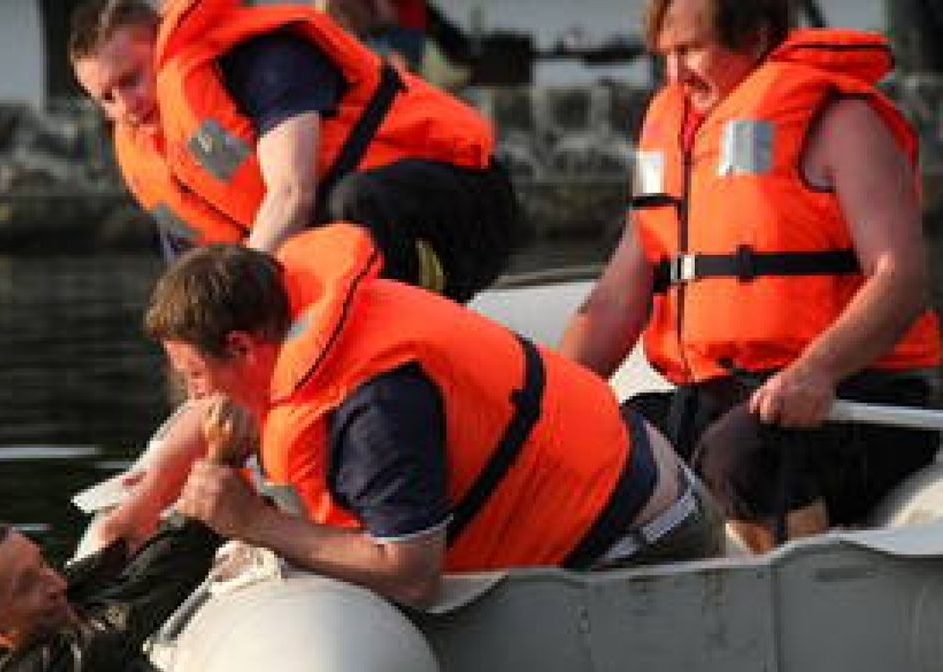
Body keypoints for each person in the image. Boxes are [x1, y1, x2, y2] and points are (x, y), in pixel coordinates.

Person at [148, 224, 723, 608]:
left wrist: (254, 522)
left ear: (245, 348)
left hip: (641, 542)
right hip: (629, 481)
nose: (196, 398)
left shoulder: (371, 399)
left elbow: (412, 573)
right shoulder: (319, 333)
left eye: (195, 375)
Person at [558, 0, 942, 553]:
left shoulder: (842, 122)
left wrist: (816, 371)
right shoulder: (676, 137)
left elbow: (901, 279)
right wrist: (547, 404)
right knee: (611, 444)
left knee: (744, 453)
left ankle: (804, 608)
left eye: (690, 51)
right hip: (718, 397)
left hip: (848, 399)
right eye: (665, 55)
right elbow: (618, 297)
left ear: (756, 35)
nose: (674, 75)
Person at [69, 0, 521, 304]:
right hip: (349, 238)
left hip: (466, 205)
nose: (125, 107)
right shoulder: (152, 155)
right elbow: (191, 270)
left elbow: (292, 194)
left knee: (356, 200)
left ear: (162, 45)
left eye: (131, 79)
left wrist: (235, 305)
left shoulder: (265, 59)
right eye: (105, 98)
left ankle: (419, 333)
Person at [0, 520, 221, 672]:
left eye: (43, 564)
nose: (57, 584)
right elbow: (122, 616)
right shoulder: (48, 666)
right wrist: (221, 464)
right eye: (27, 585)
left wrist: (116, 550)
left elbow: (79, 581)